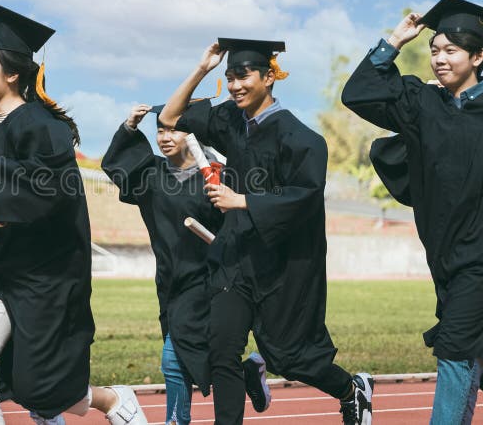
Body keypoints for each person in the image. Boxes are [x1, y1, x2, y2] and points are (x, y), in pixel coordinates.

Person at [0, 0, 148, 425]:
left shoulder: (43, 126)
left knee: (39, 389)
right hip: (1, 270)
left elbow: (51, 193)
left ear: (14, 73)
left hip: (46, 276)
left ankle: (111, 400)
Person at [158, 38, 373, 425]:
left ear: (270, 76)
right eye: (231, 77)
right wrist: (203, 68)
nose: (236, 85)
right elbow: (170, 118)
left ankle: (349, 388)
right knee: (221, 351)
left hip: (280, 267)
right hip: (234, 259)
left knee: (289, 357)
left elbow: (304, 197)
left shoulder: (302, 139)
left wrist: (242, 201)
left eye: (244, 76)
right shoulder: (229, 120)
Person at [341, 0, 483, 423]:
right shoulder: (420, 103)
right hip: (444, 252)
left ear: (479, 55)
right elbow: (358, 93)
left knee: (455, 347)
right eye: (434, 50)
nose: (439, 58)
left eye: (451, 50)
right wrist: (395, 41)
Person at [102, 104, 271, 424]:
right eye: (161, 130)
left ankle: (180, 418)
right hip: (172, 281)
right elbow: (115, 167)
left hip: (215, 279)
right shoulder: (150, 173)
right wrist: (128, 128)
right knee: (192, 355)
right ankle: (241, 375)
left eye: (174, 129)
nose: (165, 137)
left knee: (177, 358)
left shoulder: (218, 175)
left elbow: (247, 224)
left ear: (195, 132)